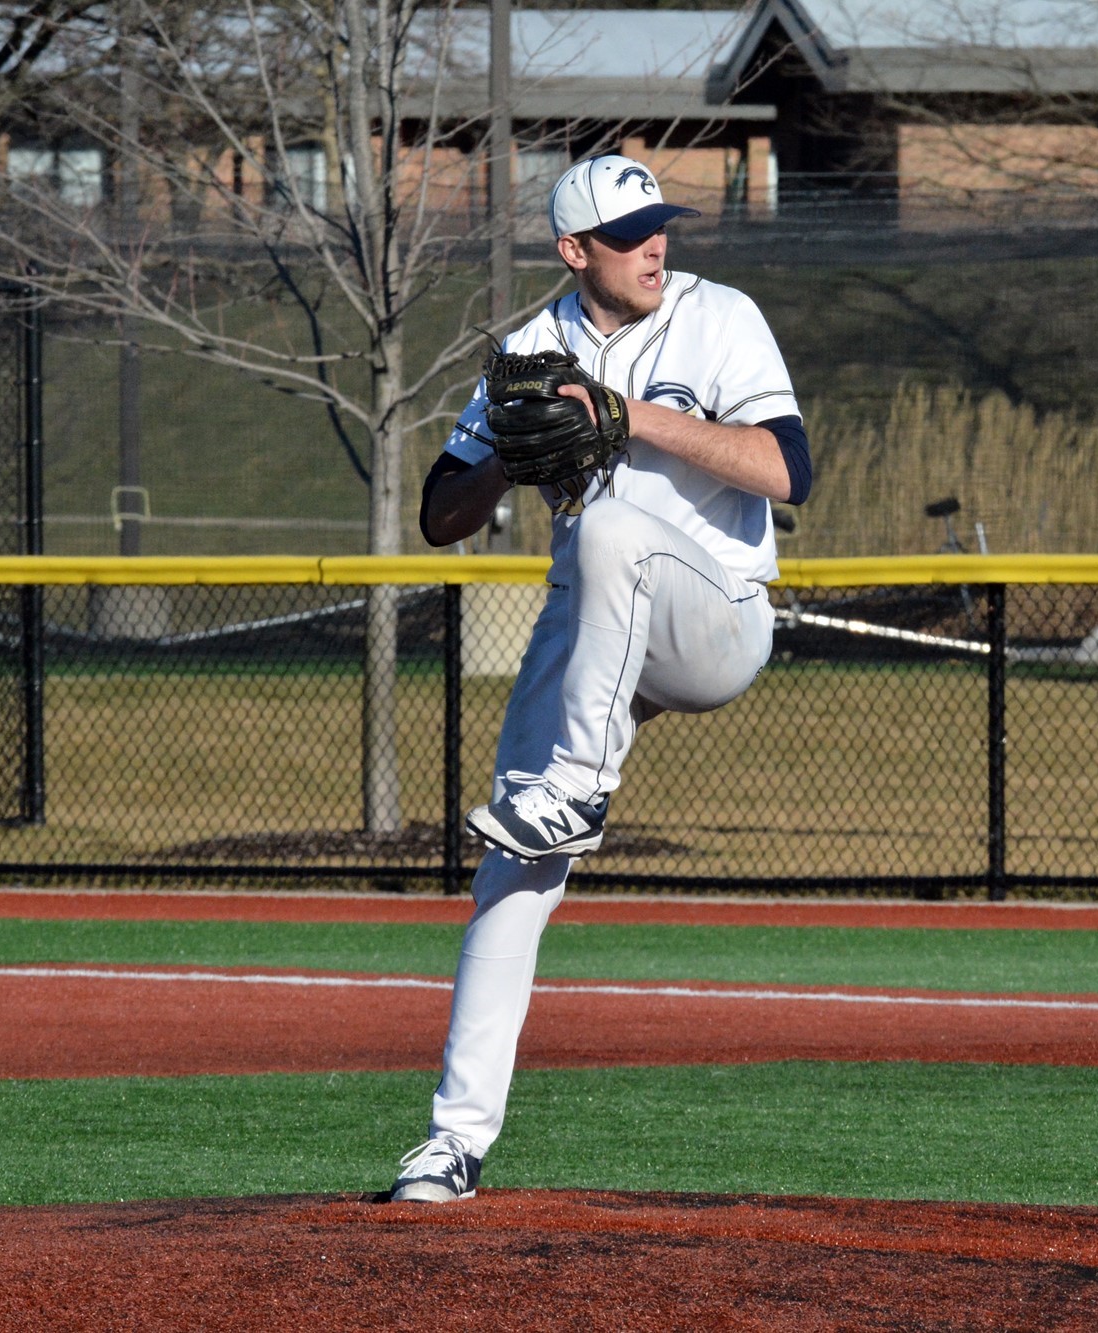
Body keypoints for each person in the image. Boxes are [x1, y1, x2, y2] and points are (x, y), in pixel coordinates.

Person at [389, 154, 812, 1203]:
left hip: (715, 615)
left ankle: (575, 788)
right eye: (628, 235)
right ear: (574, 251)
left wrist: (626, 415)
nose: (654, 245)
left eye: (660, 224)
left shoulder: (720, 316)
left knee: (612, 525)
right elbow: (440, 516)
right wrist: (506, 457)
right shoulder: (529, 351)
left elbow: (787, 470)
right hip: (591, 628)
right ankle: (450, 1145)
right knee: (510, 866)